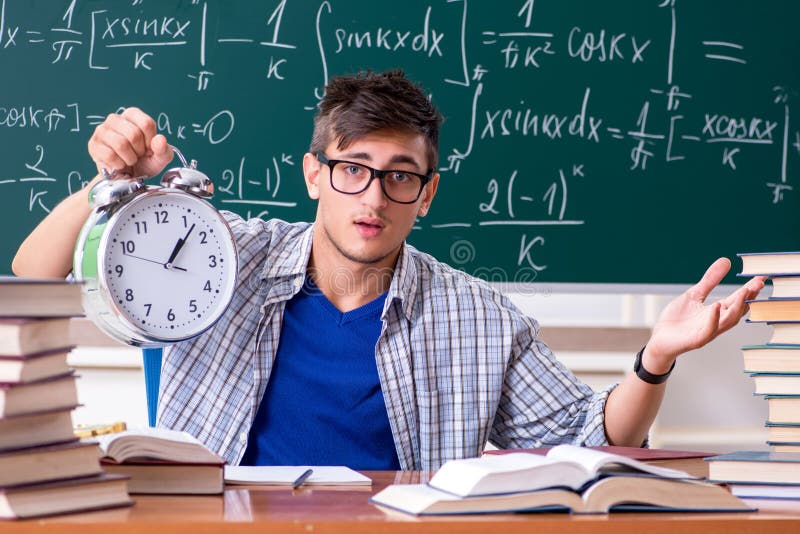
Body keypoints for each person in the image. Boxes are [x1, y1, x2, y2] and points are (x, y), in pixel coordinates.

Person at [13, 70, 764, 471]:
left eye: (401, 176)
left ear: (427, 194)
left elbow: (593, 438)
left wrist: (655, 358)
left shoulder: (479, 316)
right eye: (354, 170)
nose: (374, 197)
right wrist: (115, 189)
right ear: (314, 174)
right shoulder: (215, 255)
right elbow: (35, 274)